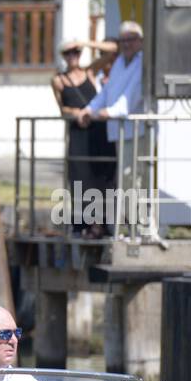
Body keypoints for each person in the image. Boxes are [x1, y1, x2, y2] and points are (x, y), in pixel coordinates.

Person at [75, 22, 146, 233]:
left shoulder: (142, 63)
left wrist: (111, 112)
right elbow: (106, 94)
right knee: (124, 179)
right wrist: (89, 109)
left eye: (132, 39)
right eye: (123, 40)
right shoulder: (118, 64)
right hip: (119, 132)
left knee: (136, 178)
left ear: (140, 41)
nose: (127, 44)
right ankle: (126, 227)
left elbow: (131, 96)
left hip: (137, 130)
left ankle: (138, 228)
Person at [52, 38, 117, 235]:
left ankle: (102, 223)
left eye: (76, 52)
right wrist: (77, 114)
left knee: (102, 175)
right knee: (81, 176)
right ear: (63, 56)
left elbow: (113, 51)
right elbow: (62, 109)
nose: (73, 57)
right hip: (78, 131)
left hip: (97, 130)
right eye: (68, 53)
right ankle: (84, 223)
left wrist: (87, 43)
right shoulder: (58, 80)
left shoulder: (90, 71)